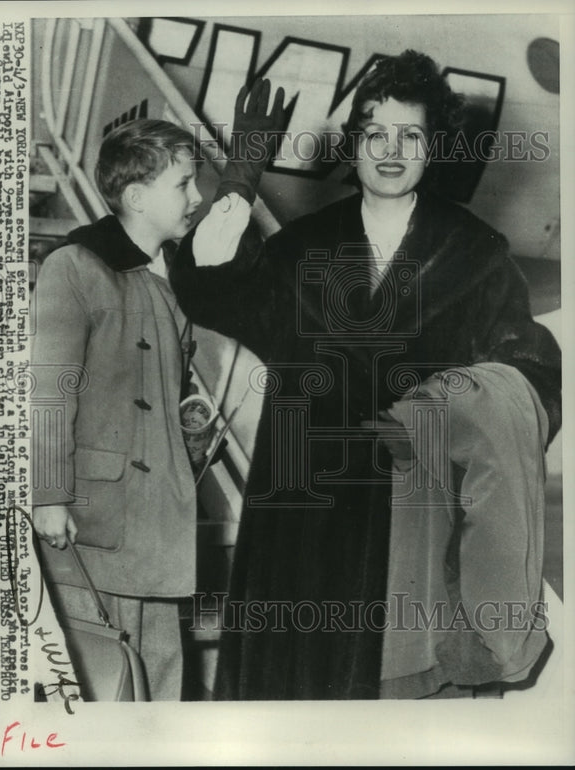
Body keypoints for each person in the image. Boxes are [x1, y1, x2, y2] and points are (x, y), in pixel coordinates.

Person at [170, 52, 561, 699]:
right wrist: (240, 179)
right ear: (353, 145)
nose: (390, 149)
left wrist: (445, 409)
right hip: (300, 520)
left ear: (434, 149)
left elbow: (533, 372)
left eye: (411, 135)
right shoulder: (300, 249)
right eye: (375, 132)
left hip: (413, 524)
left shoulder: (475, 256)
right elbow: (208, 290)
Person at [31, 119, 202, 700]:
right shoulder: (74, 268)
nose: (195, 198)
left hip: (158, 519)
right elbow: (49, 392)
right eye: (184, 184)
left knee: (160, 682)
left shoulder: (169, 278)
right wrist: (48, 496)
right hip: (94, 522)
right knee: (107, 683)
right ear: (136, 197)